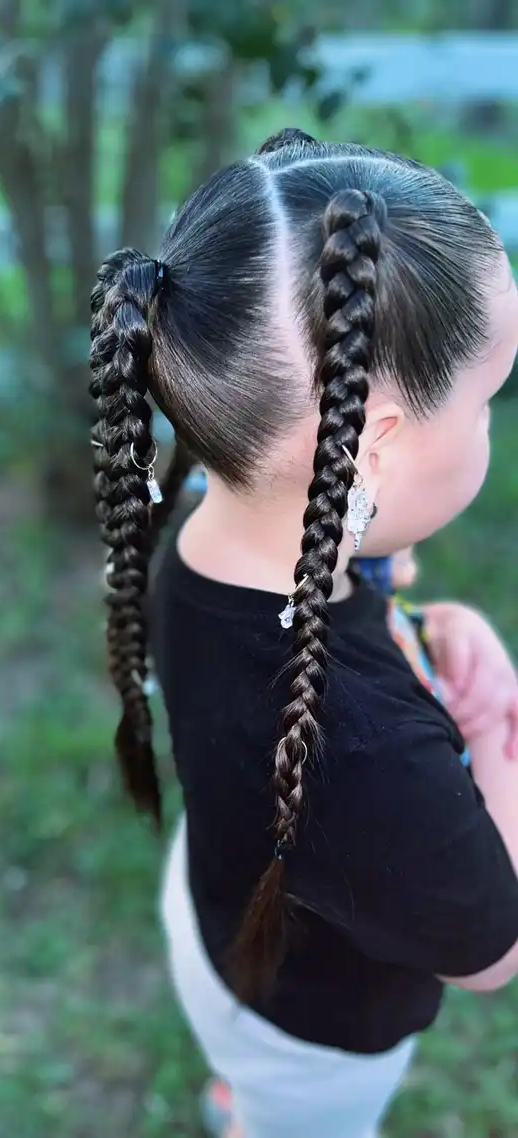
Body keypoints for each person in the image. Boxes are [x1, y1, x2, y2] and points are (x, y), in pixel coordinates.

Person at [89, 128, 518, 1138]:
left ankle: (241, 1096)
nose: (494, 428)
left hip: (220, 922)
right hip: (309, 1035)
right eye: (487, 404)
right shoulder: (357, 751)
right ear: (370, 451)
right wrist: (497, 732)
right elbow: (492, 949)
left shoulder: (200, 511)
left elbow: (367, 578)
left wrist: (411, 616)